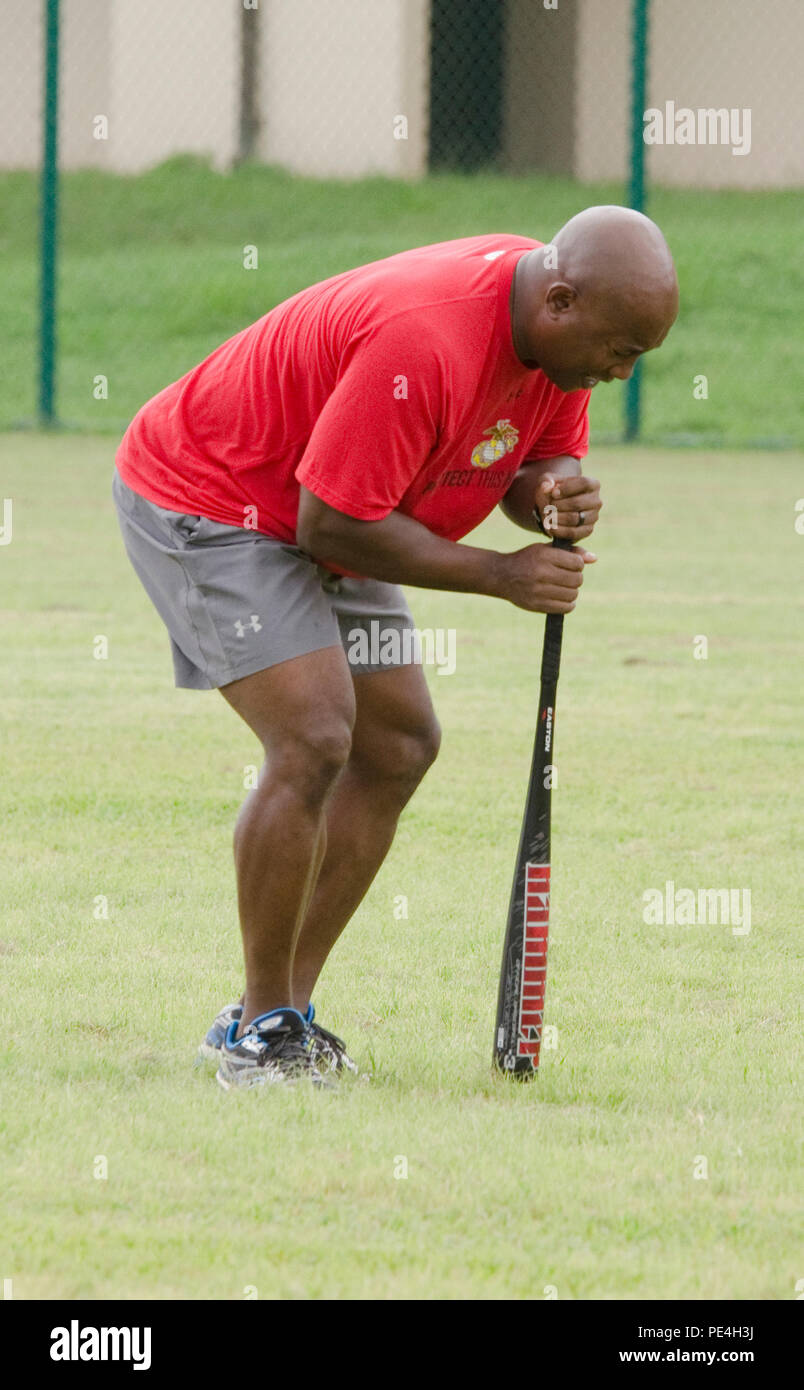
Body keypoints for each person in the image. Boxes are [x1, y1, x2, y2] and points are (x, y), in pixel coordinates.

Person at [112, 204, 678, 1089]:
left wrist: (555, 498)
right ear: (560, 300)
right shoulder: (429, 337)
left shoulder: (559, 338)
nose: (624, 372)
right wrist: (500, 575)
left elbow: (534, 462)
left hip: (342, 504)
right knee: (313, 737)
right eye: (620, 352)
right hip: (218, 496)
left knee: (398, 743)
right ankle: (257, 1037)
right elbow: (334, 521)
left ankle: (283, 1017)